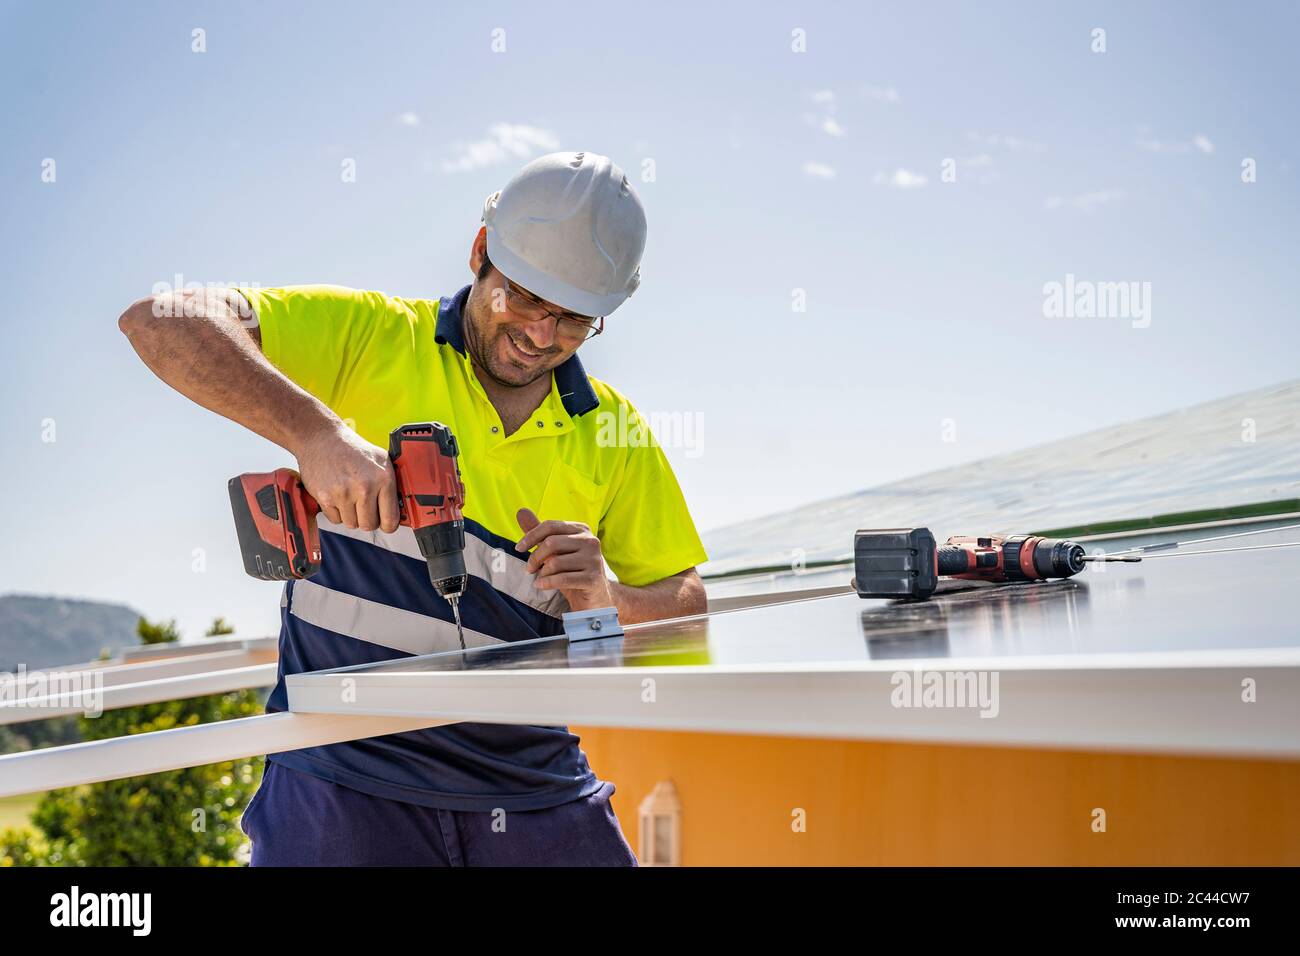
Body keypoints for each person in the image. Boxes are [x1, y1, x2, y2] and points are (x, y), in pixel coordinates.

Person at [118, 151, 708, 865]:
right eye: (522, 298)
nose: (542, 335)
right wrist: (317, 434)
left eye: (575, 319)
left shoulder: (615, 432)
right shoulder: (373, 339)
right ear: (480, 251)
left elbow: (689, 613)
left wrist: (604, 596)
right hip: (339, 777)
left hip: (531, 787)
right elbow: (159, 320)